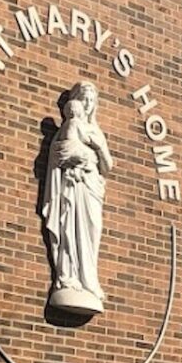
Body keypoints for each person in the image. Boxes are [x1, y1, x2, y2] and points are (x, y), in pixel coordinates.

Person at [41, 81, 112, 315]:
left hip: (92, 189)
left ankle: (89, 281)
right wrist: (78, 154)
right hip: (72, 188)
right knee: (70, 227)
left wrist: (97, 148)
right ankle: (69, 277)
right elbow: (59, 154)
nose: (87, 104)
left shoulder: (96, 132)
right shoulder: (69, 127)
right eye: (84, 99)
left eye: (91, 100)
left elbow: (108, 166)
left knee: (92, 232)